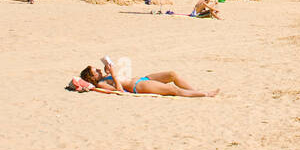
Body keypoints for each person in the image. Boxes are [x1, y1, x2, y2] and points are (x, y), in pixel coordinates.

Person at [79, 56, 218, 98]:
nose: (98, 69)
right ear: (92, 77)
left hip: (143, 79)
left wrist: (109, 72)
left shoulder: (105, 78)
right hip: (139, 86)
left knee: (172, 74)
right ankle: (205, 94)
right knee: (172, 90)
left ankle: (194, 91)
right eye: (95, 71)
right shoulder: (101, 84)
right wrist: (114, 75)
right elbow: (120, 91)